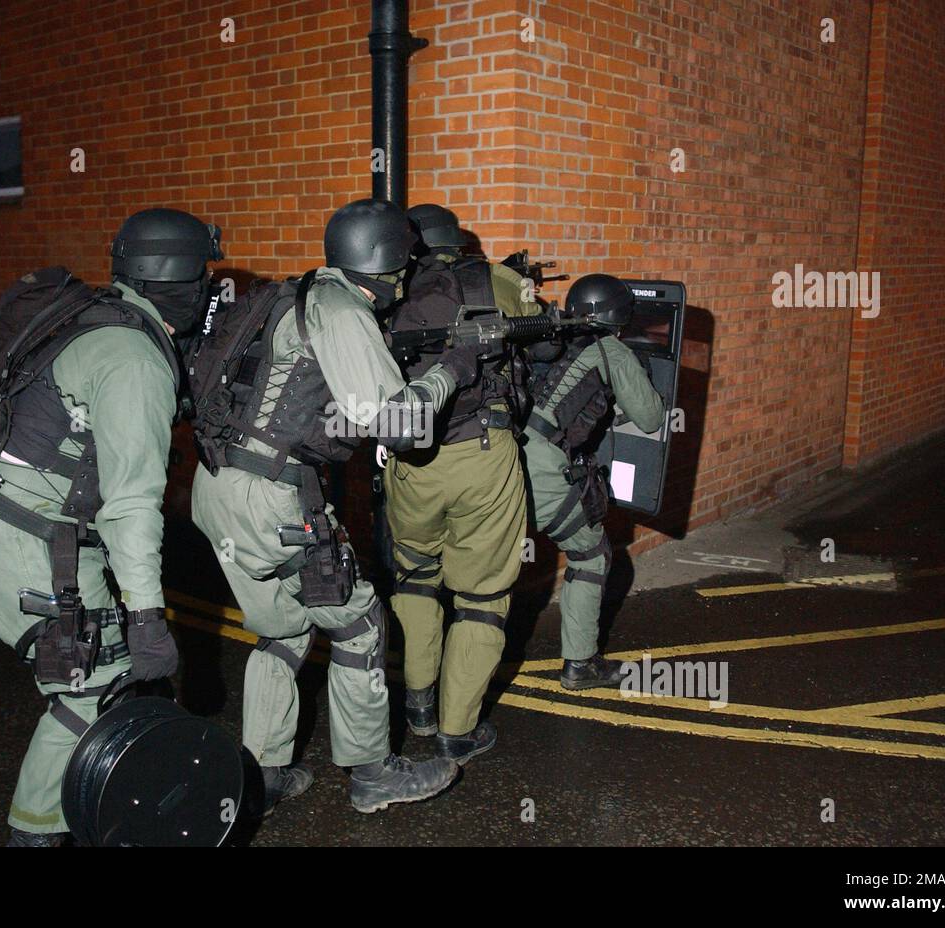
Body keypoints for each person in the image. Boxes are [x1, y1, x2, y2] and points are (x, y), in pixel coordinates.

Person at [189, 198, 482, 815]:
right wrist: (453, 367)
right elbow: (399, 426)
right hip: (274, 497)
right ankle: (373, 775)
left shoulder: (292, 296)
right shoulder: (344, 309)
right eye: (403, 268)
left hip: (218, 487)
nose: (406, 279)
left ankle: (262, 777)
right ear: (388, 264)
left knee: (283, 629)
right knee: (360, 623)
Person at [0, 208, 222, 845]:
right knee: (94, 682)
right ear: (180, 280)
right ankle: (33, 836)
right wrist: (148, 618)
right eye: (203, 277)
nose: (208, 293)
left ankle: (96, 811)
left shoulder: (92, 317)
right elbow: (130, 505)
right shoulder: (135, 361)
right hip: (24, 541)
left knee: (96, 674)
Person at [382, 203, 536, 764]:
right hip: (483, 454)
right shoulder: (492, 278)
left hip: (411, 461)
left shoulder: (385, 291)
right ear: (457, 243)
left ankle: (418, 706)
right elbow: (542, 344)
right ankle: (456, 730)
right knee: (482, 595)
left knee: (416, 576)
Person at [521, 273, 664, 689]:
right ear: (618, 316)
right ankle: (580, 666)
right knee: (590, 554)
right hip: (544, 467)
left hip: (503, 455)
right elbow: (652, 417)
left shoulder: (553, 337)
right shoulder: (611, 350)